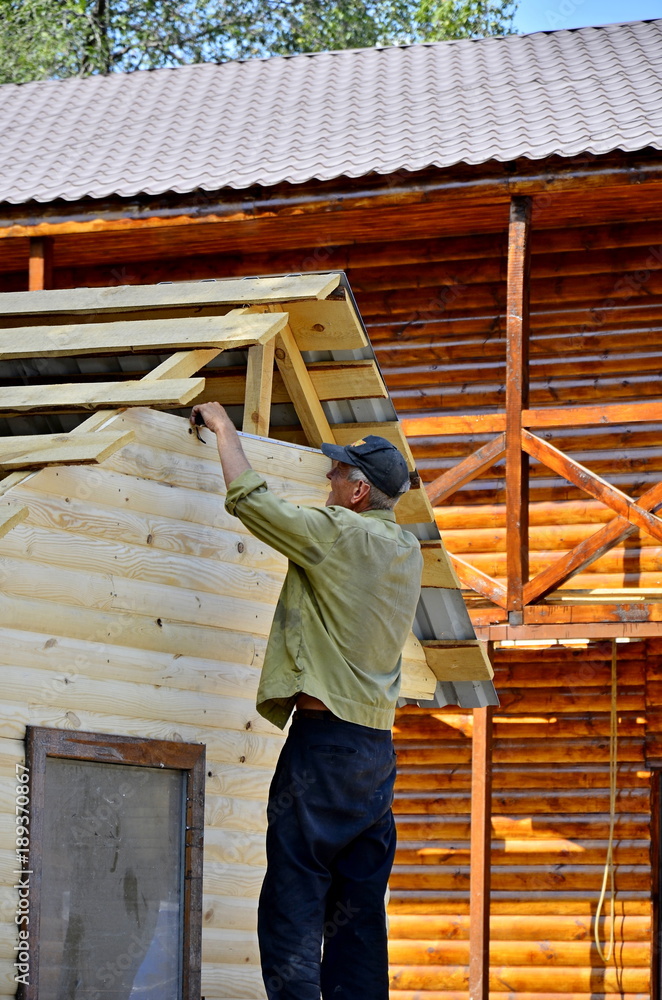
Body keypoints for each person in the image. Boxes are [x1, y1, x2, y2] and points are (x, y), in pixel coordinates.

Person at [190, 401, 423, 1000]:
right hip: (375, 756)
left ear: (359, 492)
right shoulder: (407, 551)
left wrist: (224, 429)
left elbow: (253, 502)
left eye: (339, 474)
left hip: (323, 748)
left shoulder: (342, 534)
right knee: (360, 909)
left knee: (294, 893)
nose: (329, 479)